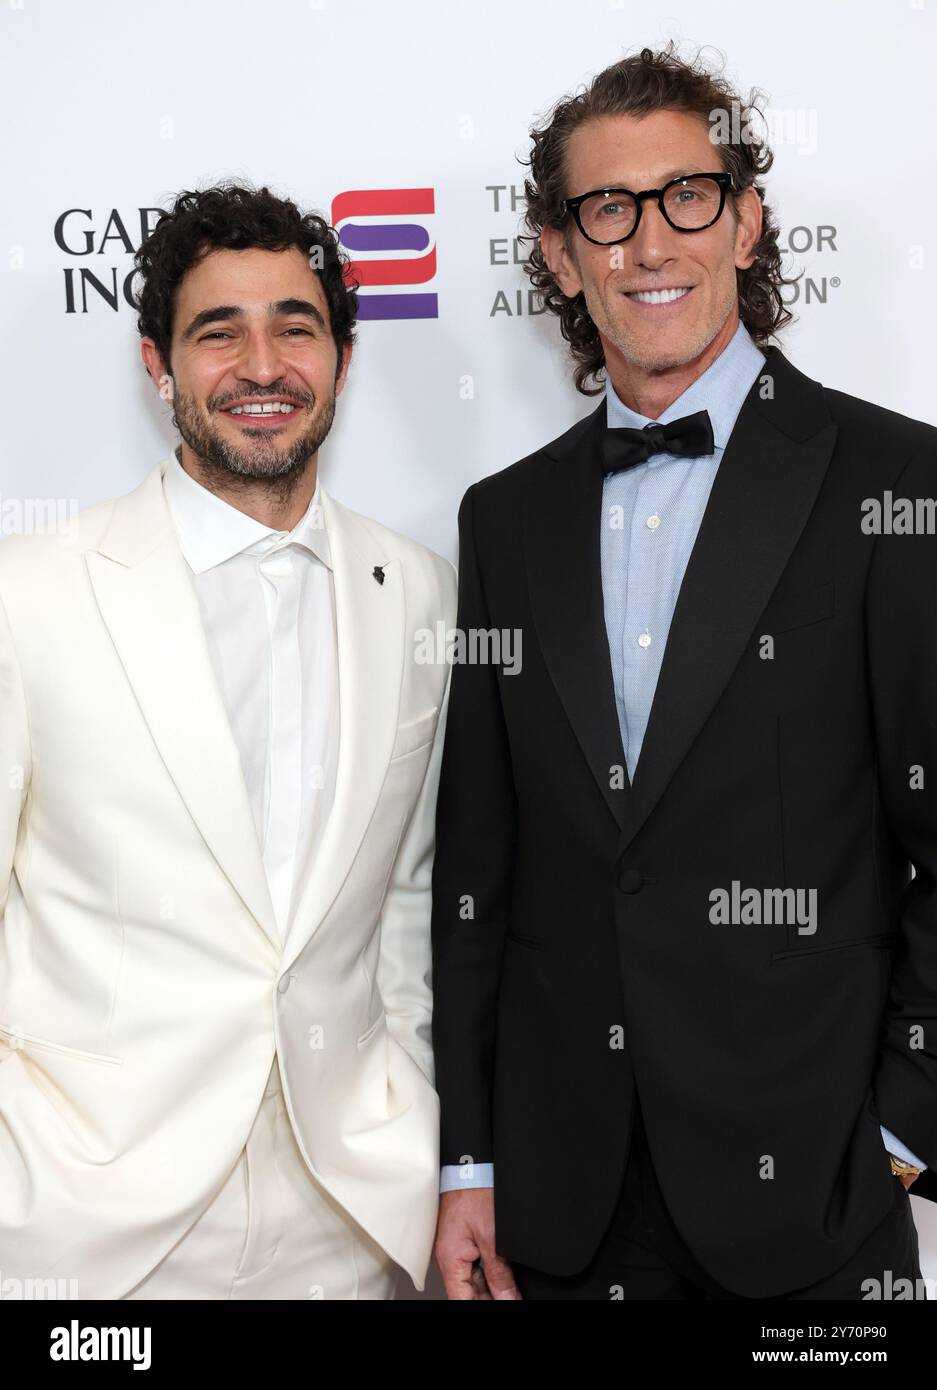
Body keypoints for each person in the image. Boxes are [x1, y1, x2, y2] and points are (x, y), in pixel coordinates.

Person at [431, 44, 937, 1300]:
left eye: (686, 197)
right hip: (562, 1211)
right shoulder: (502, 518)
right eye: (608, 209)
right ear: (560, 253)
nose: (650, 242)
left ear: (746, 222)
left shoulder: (896, 483)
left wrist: (900, 1137)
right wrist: (466, 1163)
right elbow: (478, 870)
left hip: (813, 1211)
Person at [0, 181, 455, 1300]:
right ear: (157, 363)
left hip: (352, 1217)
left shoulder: (420, 591)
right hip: (91, 1226)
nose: (262, 368)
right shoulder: (31, 594)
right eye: (219, 332)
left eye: (294, 328)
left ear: (343, 359)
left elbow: (406, 898)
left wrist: (414, 1125)